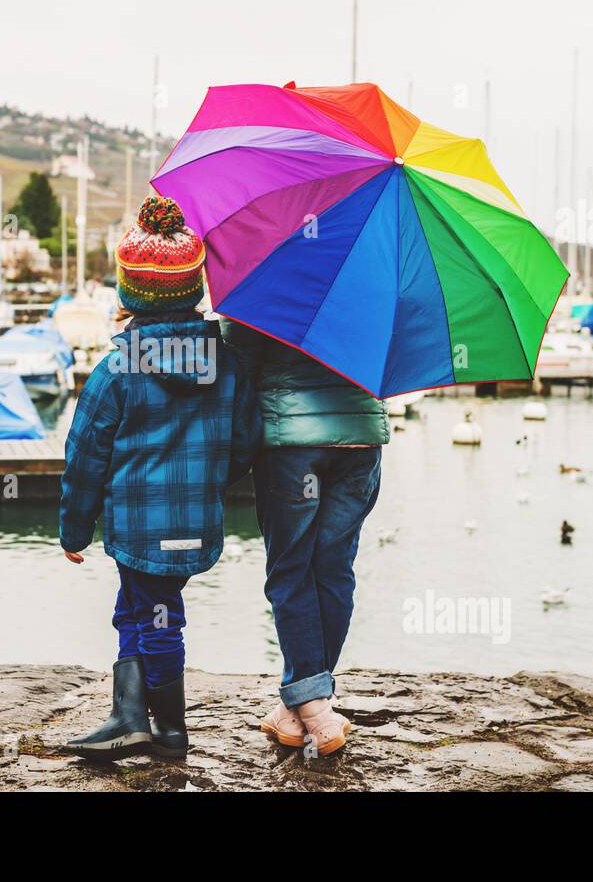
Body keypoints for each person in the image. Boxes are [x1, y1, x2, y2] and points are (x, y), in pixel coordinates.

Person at [60, 196, 260, 761]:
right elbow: (245, 443)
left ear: (129, 292)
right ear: (193, 287)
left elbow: (84, 460)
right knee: (139, 606)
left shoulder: (116, 369)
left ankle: (169, 732)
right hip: (195, 519)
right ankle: (129, 716)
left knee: (157, 619)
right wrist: (206, 481)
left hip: (135, 524)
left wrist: (75, 531)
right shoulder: (227, 363)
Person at [221, 318, 389, 756]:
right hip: (360, 439)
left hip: (291, 442)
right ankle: (299, 705)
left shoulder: (266, 276)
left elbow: (237, 368)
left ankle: (312, 706)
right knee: (333, 570)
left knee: (291, 569)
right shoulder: (380, 277)